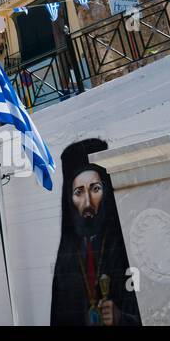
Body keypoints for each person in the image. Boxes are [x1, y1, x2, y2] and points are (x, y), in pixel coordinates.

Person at [49, 138, 141, 326]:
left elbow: (152, 312)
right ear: (70, 198)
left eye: (95, 189)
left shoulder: (126, 247)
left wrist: (121, 318)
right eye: (79, 192)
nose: (88, 203)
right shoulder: (66, 261)